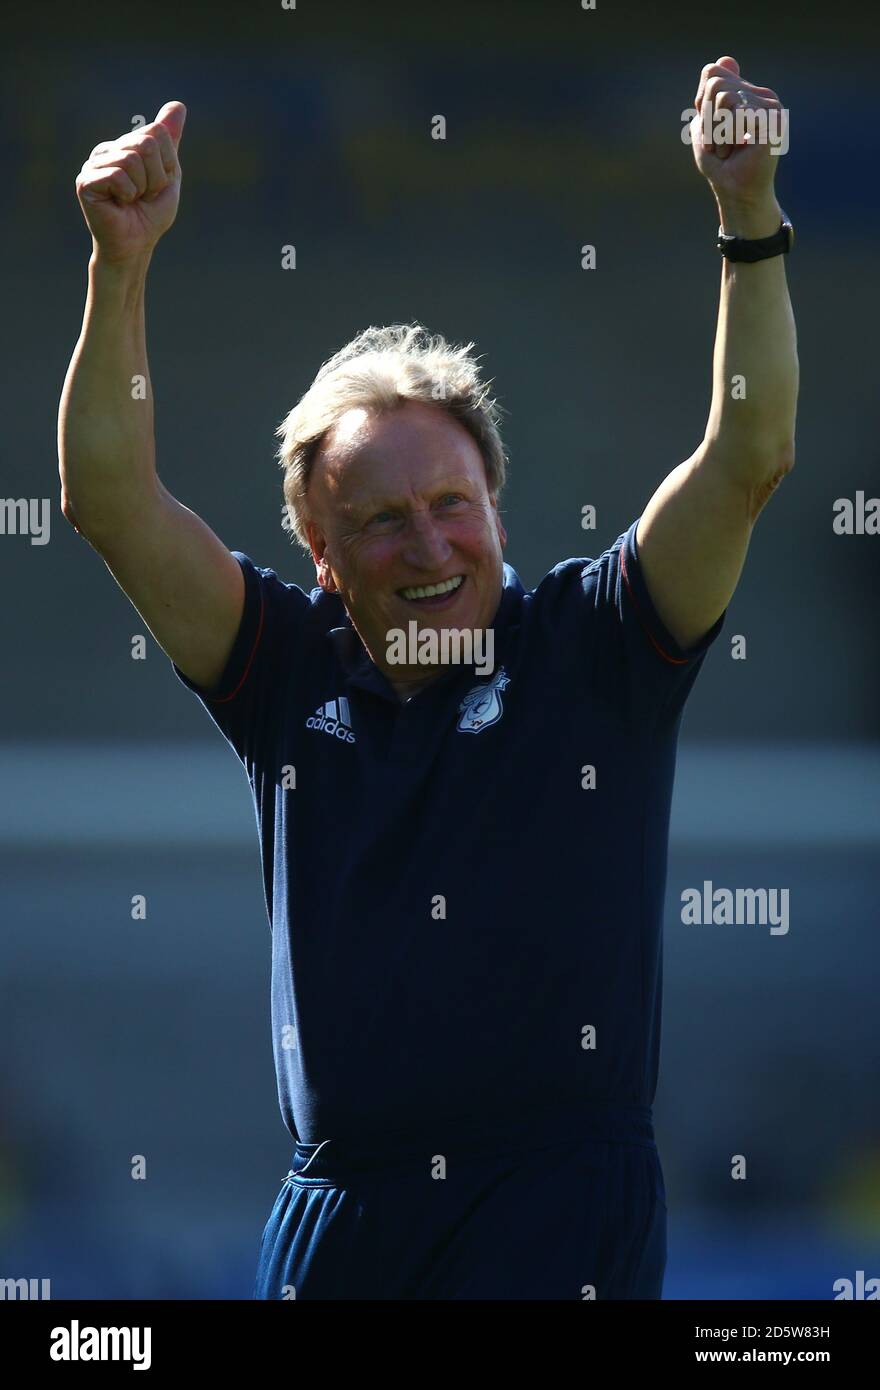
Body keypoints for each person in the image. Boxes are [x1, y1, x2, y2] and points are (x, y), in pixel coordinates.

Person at [58, 55, 798, 1299]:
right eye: (384, 518)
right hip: (344, 1215)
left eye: (453, 504)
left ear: (497, 508)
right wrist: (118, 264)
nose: (428, 543)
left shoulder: (600, 638)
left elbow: (751, 451)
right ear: (323, 551)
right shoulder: (283, 671)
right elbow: (109, 502)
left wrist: (747, 218)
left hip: (562, 1204)